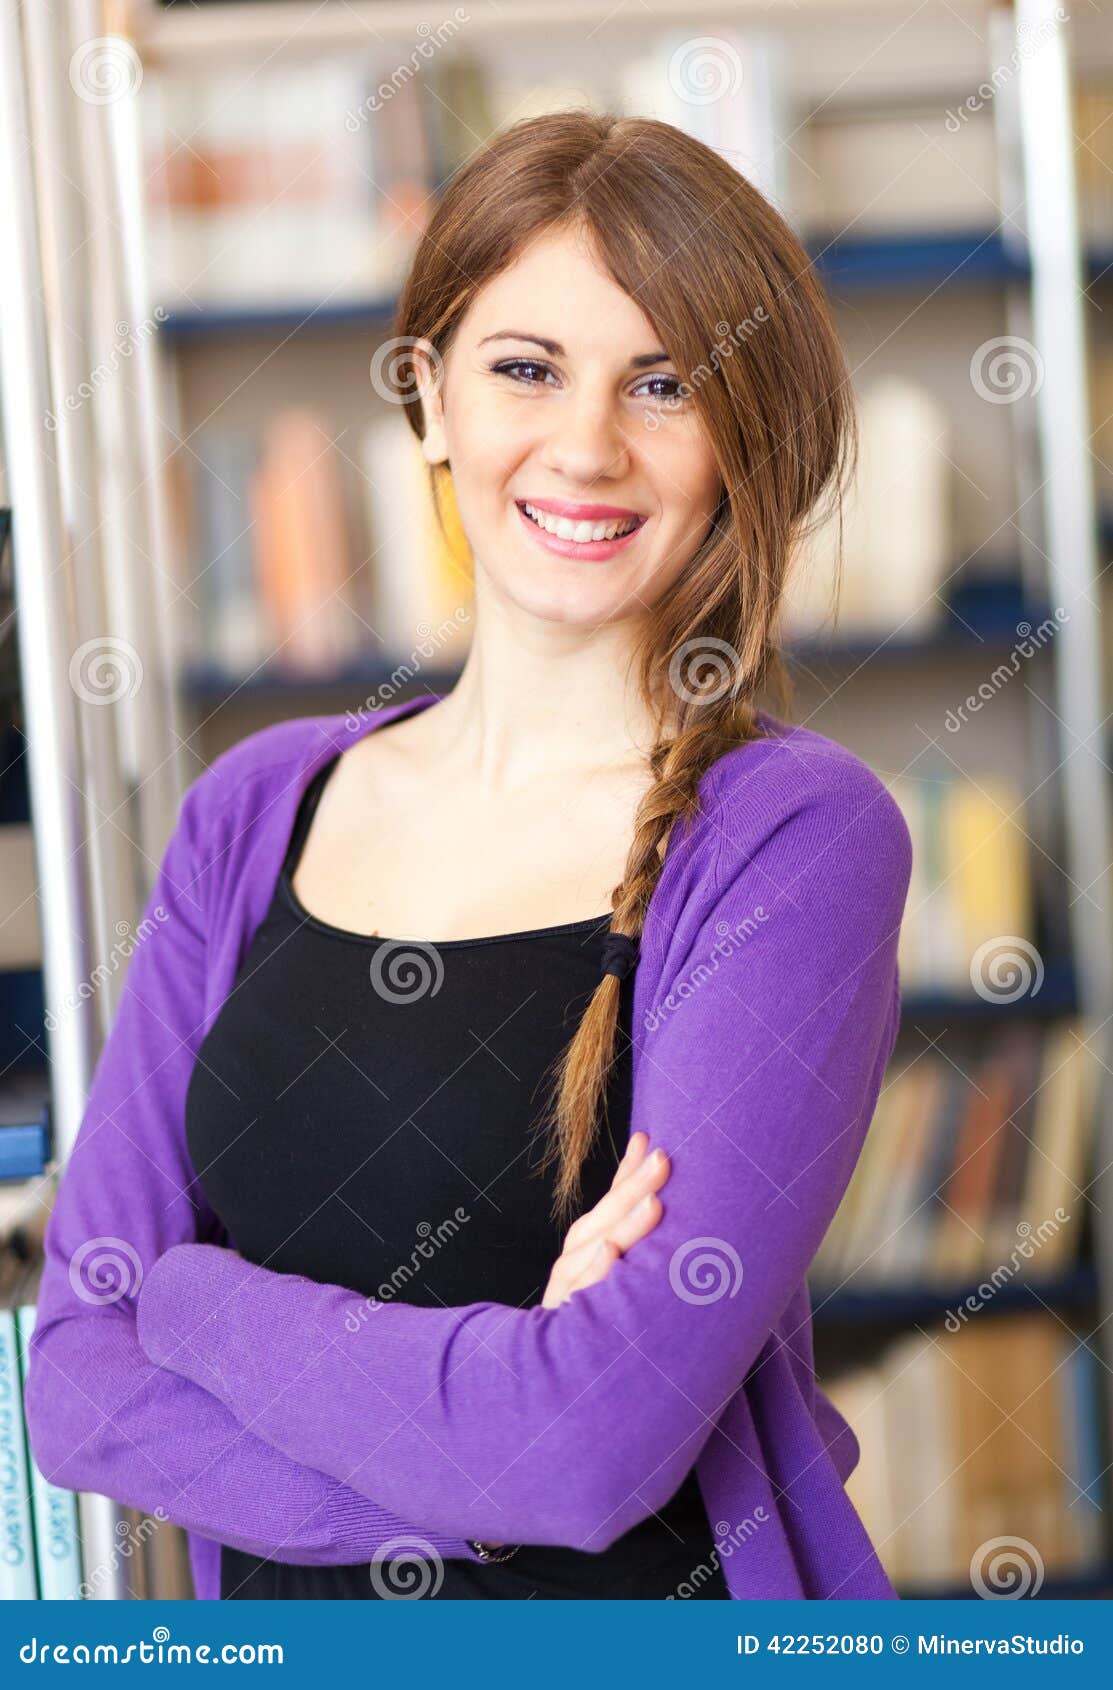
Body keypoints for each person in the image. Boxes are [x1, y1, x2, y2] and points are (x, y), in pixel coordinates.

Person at [24, 111, 911, 1601]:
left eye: (662, 382)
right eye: (524, 368)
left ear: (739, 435)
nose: (584, 446)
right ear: (428, 398)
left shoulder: (792, 838)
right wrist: (490, 1418)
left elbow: (577, 1452)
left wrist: (191, 1297)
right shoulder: (253, 810)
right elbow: (74, 1381)